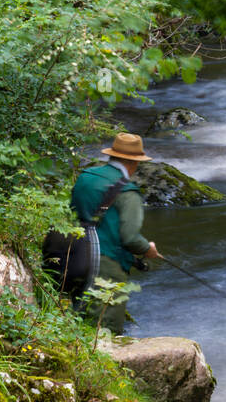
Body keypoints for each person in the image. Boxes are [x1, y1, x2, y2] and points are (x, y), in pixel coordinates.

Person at [69, 132, 162, 331]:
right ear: (134, 163)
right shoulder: (129, 192)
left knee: (78, 317)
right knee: (106, 327)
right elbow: (130, 238)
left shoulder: (86, 177)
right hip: (107, 264)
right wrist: (148, 249)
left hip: (74, 254)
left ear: (111, 156)